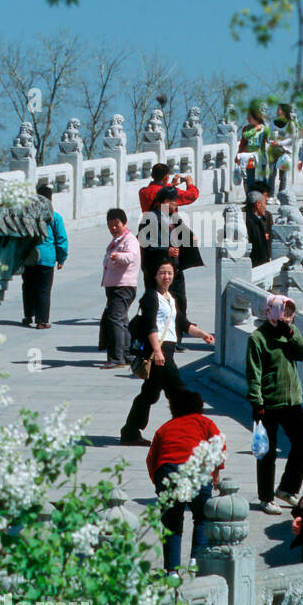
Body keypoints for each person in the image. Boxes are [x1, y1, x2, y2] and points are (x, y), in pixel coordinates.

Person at [120, 260, 214, 446]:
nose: (166, 277)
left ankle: (130, 431)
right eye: (162, 273)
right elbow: (150, 325)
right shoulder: (150, 297)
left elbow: (182, 323)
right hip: (159, 351)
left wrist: (203, 334)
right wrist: (156, 351)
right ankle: (189, 432)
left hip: (167, 350)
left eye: (169, 273)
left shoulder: (171, 298)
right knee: (179, 391)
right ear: (155, 275)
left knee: (149, 394)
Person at [246, 294, 303, 514]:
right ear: (271, 310)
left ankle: (287, 489)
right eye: (283, 310)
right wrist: (257, 402)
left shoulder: (290, 332)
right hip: (267, 403)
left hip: (291, 400)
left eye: (289, 311)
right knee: (266, 451)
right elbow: (253, 373)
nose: (287, 316)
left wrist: (290, 334)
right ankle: (265, 497)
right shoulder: (258, 338)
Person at [147, 389, 224, 572]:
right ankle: (195, 562)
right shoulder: (205, 422)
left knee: (172, 522)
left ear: (173, 408)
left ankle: (172, 571)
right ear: (200, 407)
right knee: (202, 517)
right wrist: (215, 472)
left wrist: (158, 484)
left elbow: (152, 458)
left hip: (168, 471)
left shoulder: (164, 428)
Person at [137, 185, 202, 322]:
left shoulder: (173, 217)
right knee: (159, 305)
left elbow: (184, 232)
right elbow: (145, 242)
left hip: (175, 269)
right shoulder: (150, 218)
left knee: (179, 301)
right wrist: (166, 250)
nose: (177, 204)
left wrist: (191, 238)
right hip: (157, 271)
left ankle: (178, 333)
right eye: (175, 201)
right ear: (166, 202)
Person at [98, 207, 140, 369]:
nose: (114, 228)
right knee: (121, 320)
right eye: (110, 225)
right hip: (115, 287)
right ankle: (127, 354)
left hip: (123, 286)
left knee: (114, 320)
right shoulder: (117, 241)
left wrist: (118, 257)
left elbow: (131, 256)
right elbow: (106, 261)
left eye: (117, 224)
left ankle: (116, 358)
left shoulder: (130, 240)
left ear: (124, 223)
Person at [21, 184, 67, 329]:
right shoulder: (55, 217)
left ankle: (28, 315)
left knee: (28, 287)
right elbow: (61, 239)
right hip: (47, 259)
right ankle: (41, 321)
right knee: (43, 289)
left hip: (29, 257)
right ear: (51, 199)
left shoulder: (28, 215)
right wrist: (61, 258)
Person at [266, 103, 296, 193]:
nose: (277, 112)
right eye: (277, 110)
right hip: (273, 151)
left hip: (285, 152)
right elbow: (268, 136)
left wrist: (279, 143)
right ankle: (271, 195)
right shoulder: (273, 123)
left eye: (279, 110)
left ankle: (281, 194)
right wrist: (271, 141)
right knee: (271, 174)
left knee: (282, 176)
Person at [238, 109, 268, 195]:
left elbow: (269, 140)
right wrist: (238, 154)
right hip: (249, 157)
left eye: (250, 117)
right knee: (249, 178)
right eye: (247, 117)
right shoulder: (246, 129)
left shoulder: (264, 129)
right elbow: (244, 139)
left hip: (261, 156)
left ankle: (263, 196)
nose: (248, 119)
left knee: (262, 177)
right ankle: (250, 196)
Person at [244, 191, 272, 266]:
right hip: (254, 263)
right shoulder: (249, 222)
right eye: (264, 203)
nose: (265, 207)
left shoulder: (264, 218)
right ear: (258, 204)